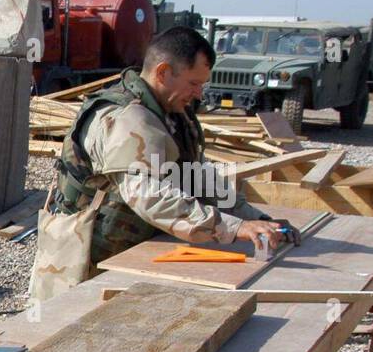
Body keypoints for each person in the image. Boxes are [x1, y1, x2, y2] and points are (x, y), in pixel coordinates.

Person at [30, 26, 290, 302]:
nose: (199, 94)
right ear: (163, 72)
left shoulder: (172, 114)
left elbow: (198, 175)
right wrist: (232, 228)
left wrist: (255, 219)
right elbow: (148, 195)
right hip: (85, 260)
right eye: (193, 83)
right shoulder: (126, 119)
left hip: (130, 253)